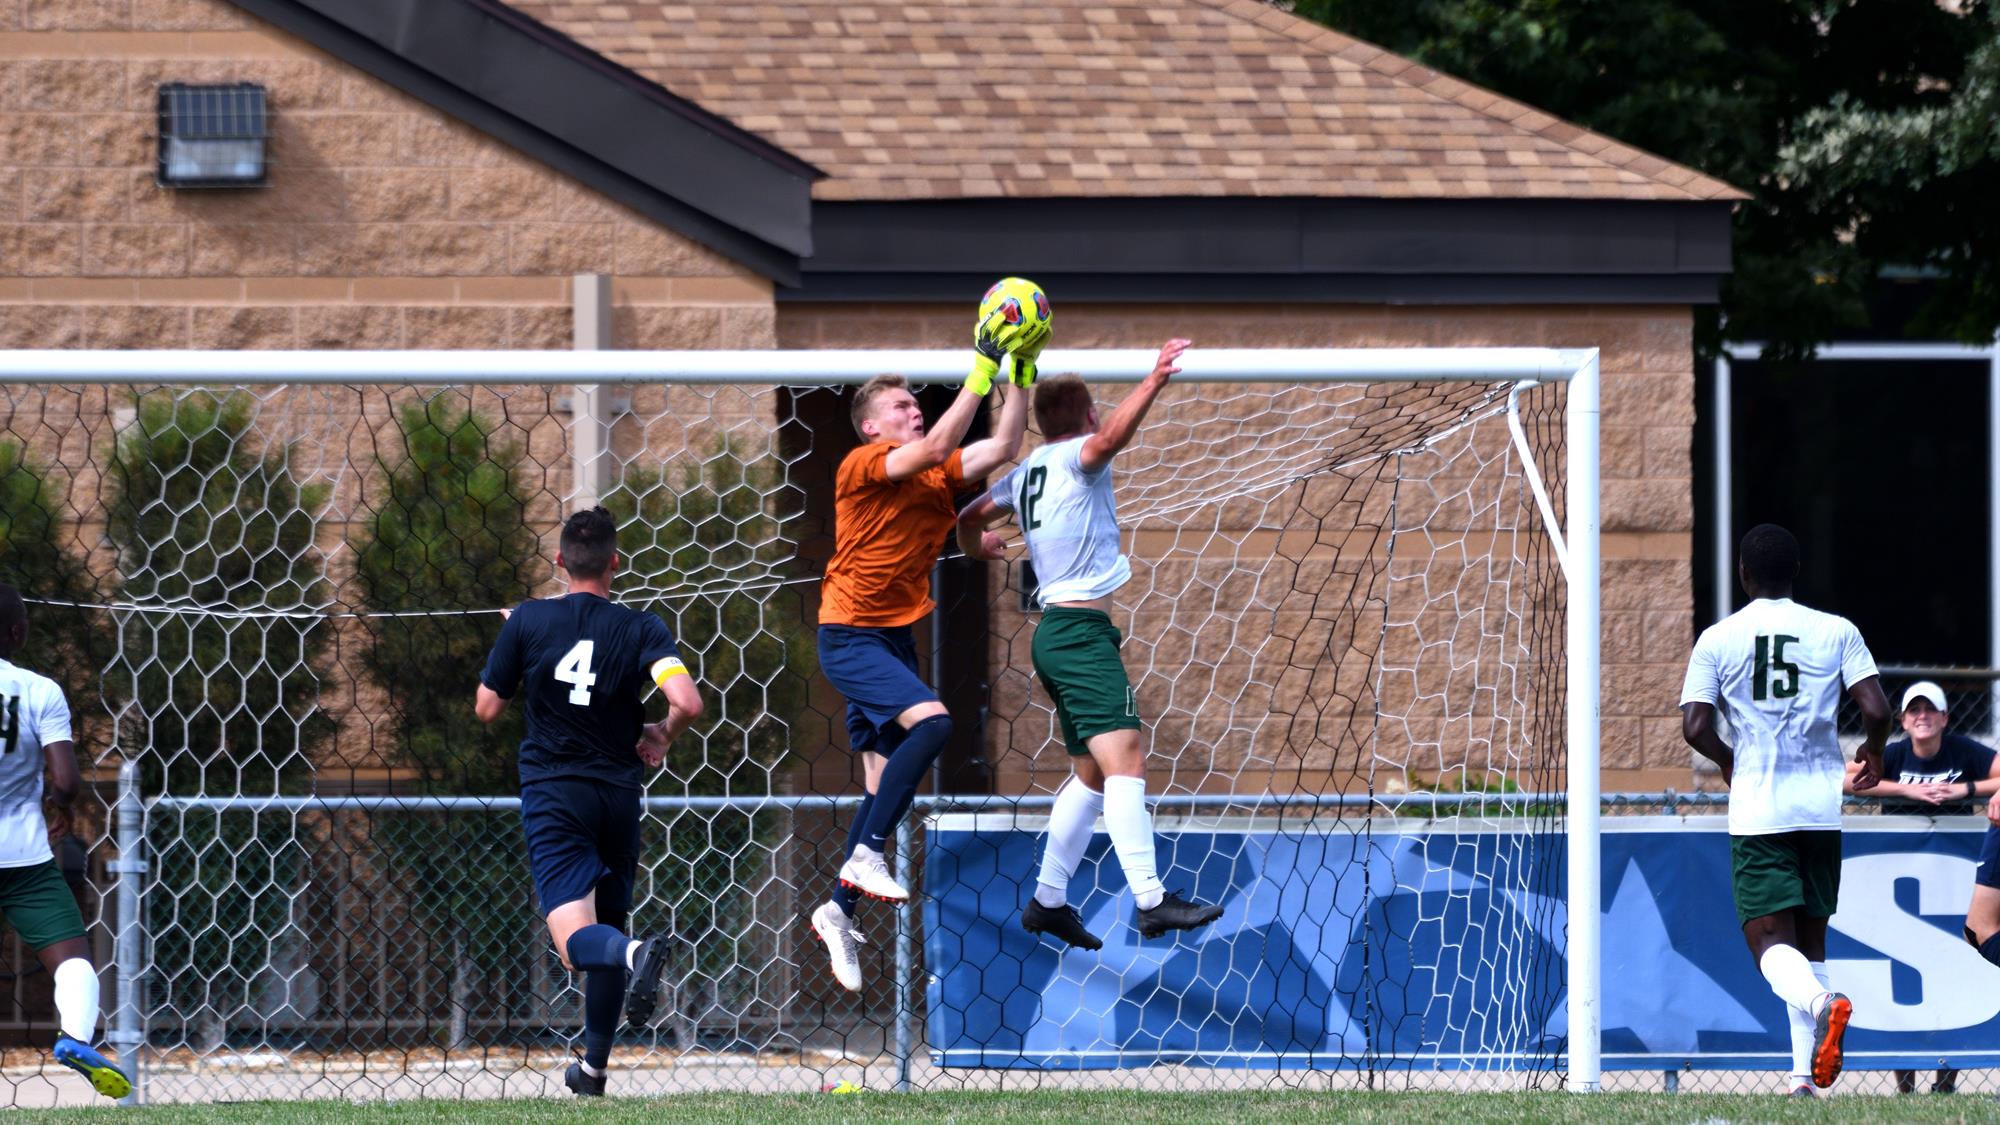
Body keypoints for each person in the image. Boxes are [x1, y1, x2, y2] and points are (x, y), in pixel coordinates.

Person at [954, 339, 1223, 948]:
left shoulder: (1021, 475)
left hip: (1058, 634)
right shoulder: (1080, 454)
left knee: (1091, 775)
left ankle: (1049, 900)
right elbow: (1108, 444)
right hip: (1077, 635)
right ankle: (1152, 901)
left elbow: (966, 520)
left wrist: (984, 549)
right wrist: (1155, 377)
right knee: (1126, 759)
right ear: (1089, 416)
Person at [808, 308, 1039, 992]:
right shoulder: (863, 463)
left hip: (892, 640)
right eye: (903, 404)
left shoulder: (933, 479)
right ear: (874, 424)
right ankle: (865, 861)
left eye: (917, 403)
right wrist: (982, 364)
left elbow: (999, 448)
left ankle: (837, 907)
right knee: (935, 723)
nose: (916, 410)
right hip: (849, 633)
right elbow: (940, 444)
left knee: (887, 788)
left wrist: (1018, 375)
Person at [475, 508, 705, 1096]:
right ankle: (593, 1072)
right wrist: (663, 733)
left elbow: (487, 708)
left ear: (558, 563)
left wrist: (516, 636)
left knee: (581, 945)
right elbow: (688, 700)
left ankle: (636, 953)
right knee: (606, 925)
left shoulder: (527, 619)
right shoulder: (641, 627)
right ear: (614, 563)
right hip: (619, 795)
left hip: (556, 792)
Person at [1679, 523, 1890, 1098]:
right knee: (1810, 944)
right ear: (1794, 573)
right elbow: (1875, 706)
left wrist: (1730, 759)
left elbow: (1695, 725)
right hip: (1821, 806)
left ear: (1744, 574)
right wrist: (1873, 751)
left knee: (1768, 945)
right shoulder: (1836, 631)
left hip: (1760, 810)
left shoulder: (1719, 638)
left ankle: (1826, 1006)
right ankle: (1803, 1081)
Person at [0, 585, 129, 1100]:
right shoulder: (38, 690)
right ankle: (76, 1037)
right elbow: (67, 779)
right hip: (24, 856)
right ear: (16, 632)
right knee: (72, 956)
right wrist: (61, 807)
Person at [1842, 680, 1998, 1095]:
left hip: (1953, 874)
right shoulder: (1892, 754)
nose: (1922, 717)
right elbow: (1848, 780)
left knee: (1955, 969)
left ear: (1945, 718)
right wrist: (1905, 789)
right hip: (1898, 877)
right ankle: (1905, 1083)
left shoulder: (1963, 751)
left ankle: (1947, 1080)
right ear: (1903, 720)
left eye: (1931, 711)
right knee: (1900, 983)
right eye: (1914, 711)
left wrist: (1964, 789)